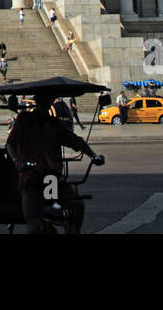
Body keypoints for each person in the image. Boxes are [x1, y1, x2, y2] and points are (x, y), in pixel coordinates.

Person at [6, 95, 104, 234]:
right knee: (33, 223)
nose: (45, 104)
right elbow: (10, 144)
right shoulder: (24, 120)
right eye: (42, 100)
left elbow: (76, 141)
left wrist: (93, 155)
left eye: (48, 101)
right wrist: (18, 162)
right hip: (31, 178)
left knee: (77, 206)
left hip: (53, 179)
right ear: (37, 101)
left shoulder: (55, 123)